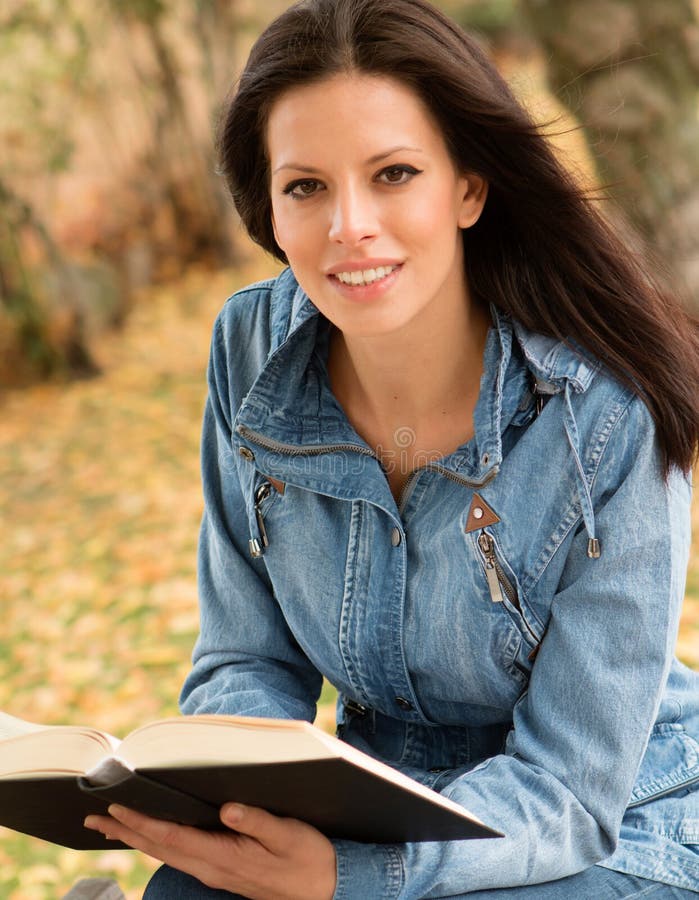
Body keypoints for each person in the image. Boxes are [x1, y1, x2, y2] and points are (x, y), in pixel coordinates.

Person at [83, 0, 699, 896]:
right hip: (373, 798)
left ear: (468, 188)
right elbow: (245, 658)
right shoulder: (249, 353)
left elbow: (568, 791)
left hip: (609, 820)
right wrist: (244, 805)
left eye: (393, 173)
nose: (349, 226)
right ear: (269, 209)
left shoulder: (604, 410)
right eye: (306, 187)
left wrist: (355, 873)